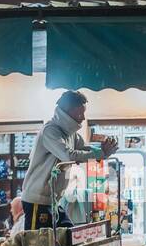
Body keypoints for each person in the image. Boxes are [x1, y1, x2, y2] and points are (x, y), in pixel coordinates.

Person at [21, 90, 118, 230]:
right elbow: (69, 156)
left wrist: (103, 151)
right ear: (68, 111)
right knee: (39, 245)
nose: (83, 118)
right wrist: (100, 154)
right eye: (80, 112)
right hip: (37, 200)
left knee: (68, 236)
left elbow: (84, 150)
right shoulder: (51, 131)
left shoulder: (72, 135)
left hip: (53, 201)